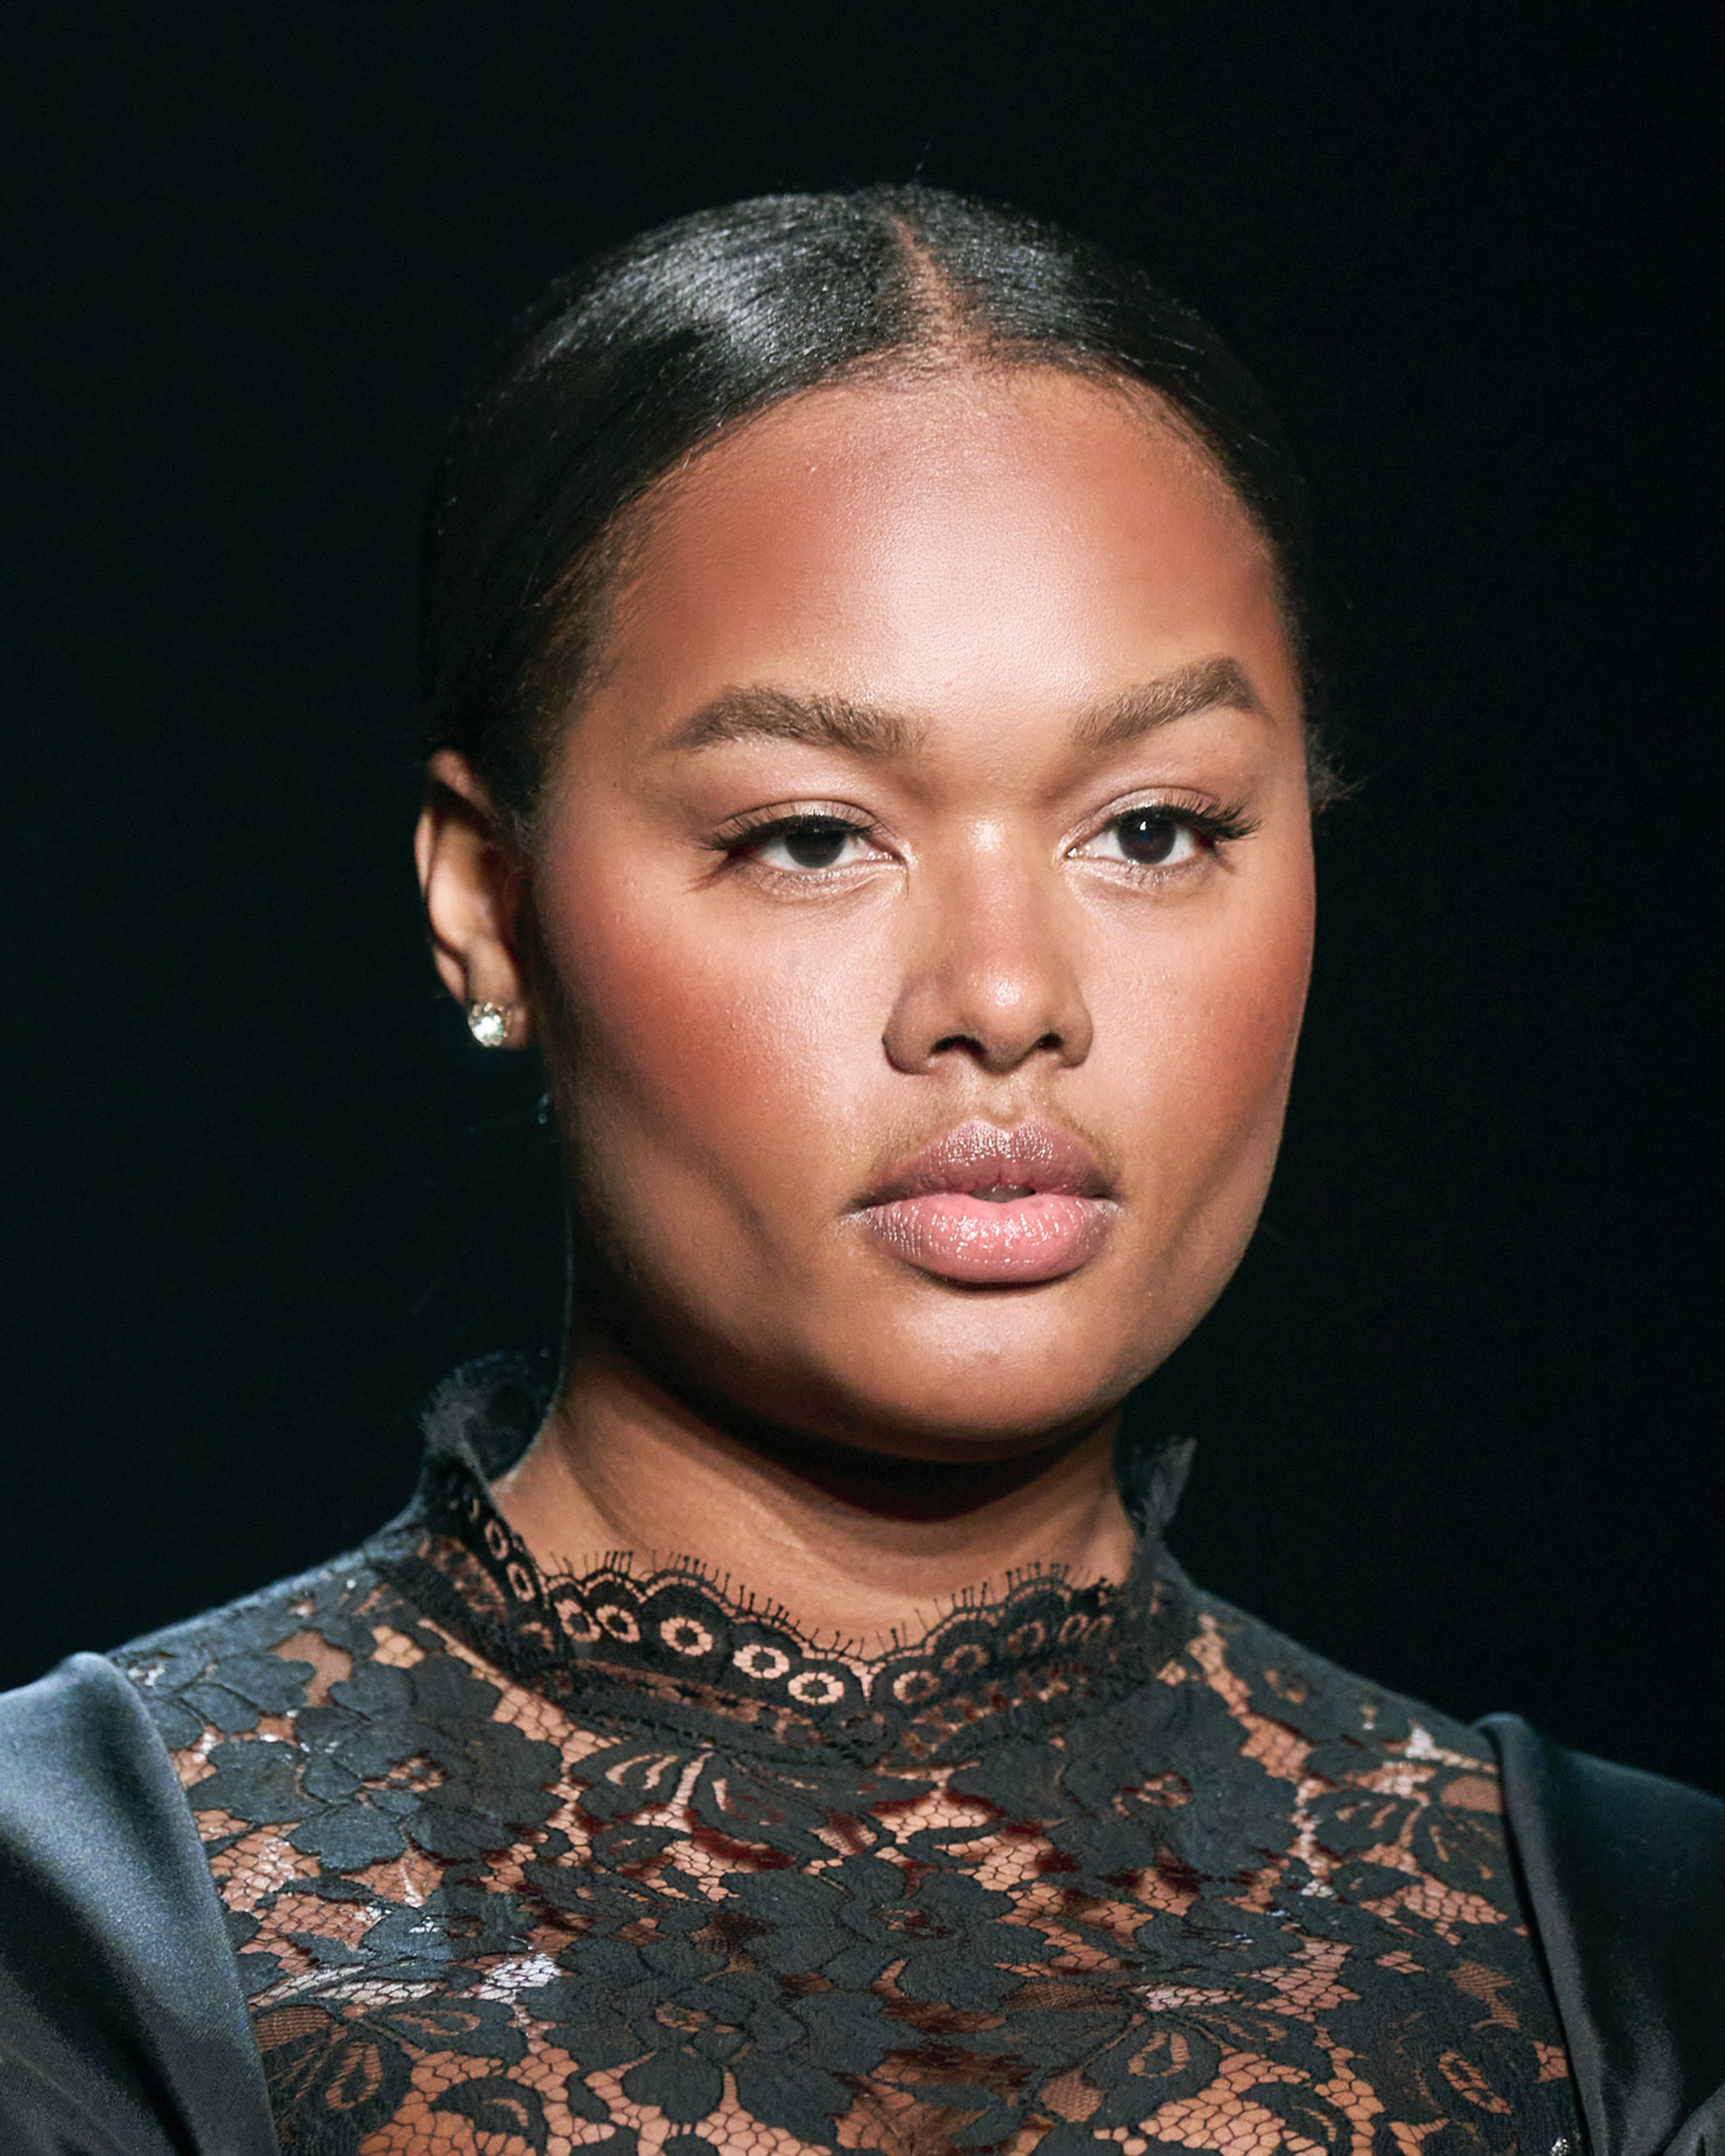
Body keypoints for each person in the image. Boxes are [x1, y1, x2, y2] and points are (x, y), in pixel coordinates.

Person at [1, 187, 1719, 2156]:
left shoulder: (1642, 1970)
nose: (1005, 998)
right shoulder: (71, 1933)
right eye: (815, 836)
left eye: (1153, 828)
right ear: (487, 900)